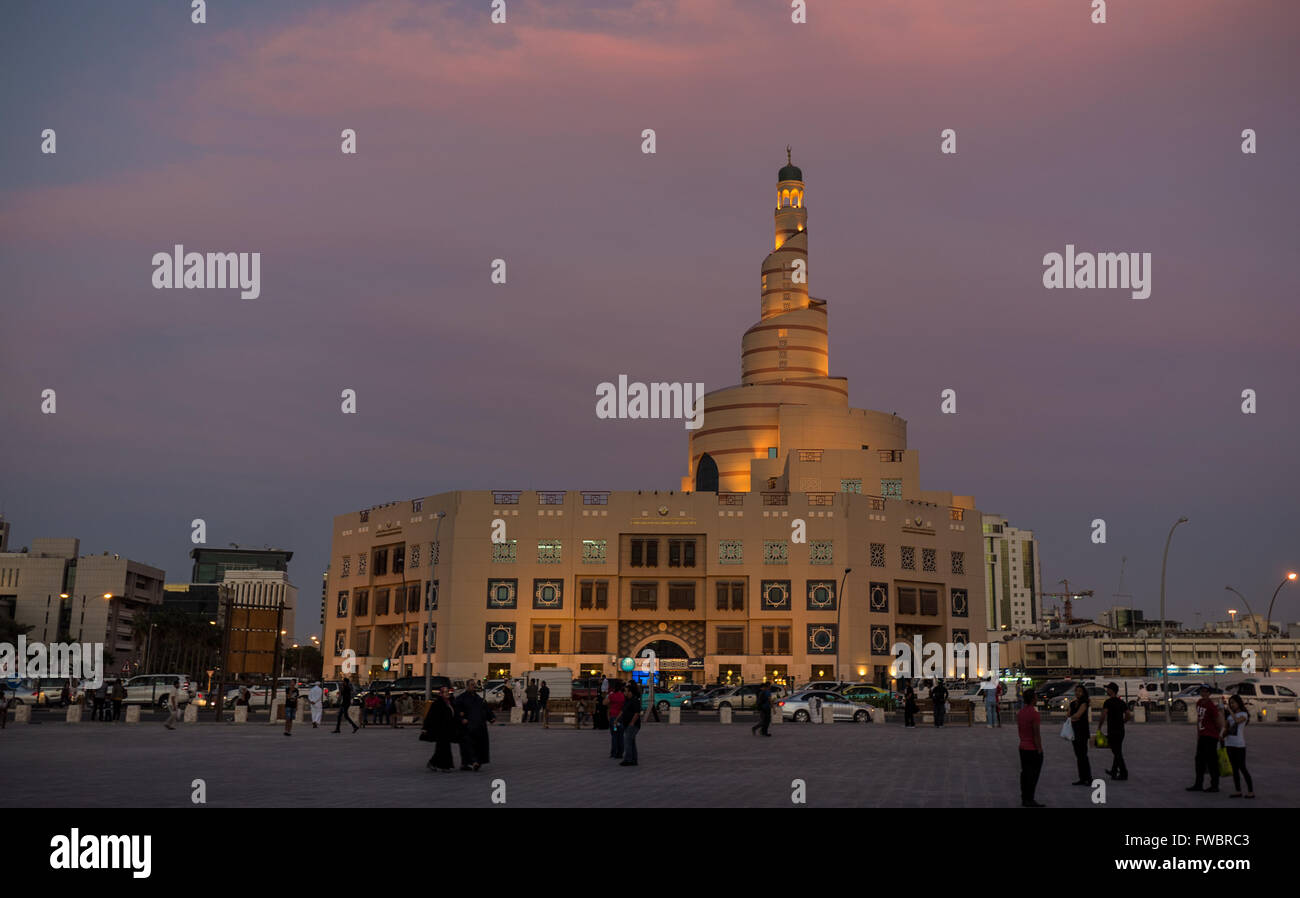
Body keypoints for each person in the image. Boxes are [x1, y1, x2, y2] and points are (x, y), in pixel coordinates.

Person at [1188, 685, 1222, 792]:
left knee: (1212, 761)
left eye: (1206, 691)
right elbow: (1199, 719)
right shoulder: (1199, 703)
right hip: (1202, 736)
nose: (1203, 693)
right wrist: (1198, 734)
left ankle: (1214, 785)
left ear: (1209, 693)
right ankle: (1198, 783)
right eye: (1202, 691)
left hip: (1211, 736)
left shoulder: (1211, 706)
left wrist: (1218, 734)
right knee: (1199, 760)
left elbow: (1217, 721)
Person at [454, 680, 494, 771]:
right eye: (472, 685)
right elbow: (456, 710)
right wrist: (461, 719)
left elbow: (485, 709)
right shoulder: (461, 698)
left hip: (478, 726)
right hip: (467, 727)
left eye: (474, 685)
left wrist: (491, 717)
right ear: (467, 686)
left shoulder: (478, 699)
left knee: (478, 745)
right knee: (467, 745)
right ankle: (471, 762)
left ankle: (471, 763)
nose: (474, 687)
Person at [1221, 694, 1253, 799]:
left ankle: (1250, 791)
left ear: (1239, 703)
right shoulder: (1230, 716)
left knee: (1242, 768)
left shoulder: (1244, 714)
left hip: (1239, 745)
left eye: (1233, 703)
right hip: (1229, 744)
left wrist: (1229, 710)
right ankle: (1238, 790)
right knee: (1234, 769)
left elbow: (1237, 721)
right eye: (1230, 703)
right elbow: (1226, 728)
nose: (1232, 705)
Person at [1017, 688, 1045, 807]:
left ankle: (1024, 797)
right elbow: (1036, 734)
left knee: (1025, 774)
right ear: (1033, 699)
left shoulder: (1020, 713)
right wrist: (1040, 749)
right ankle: (1030, 798)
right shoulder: (1034, 714)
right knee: (1033, 776)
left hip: (1022, 746)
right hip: (1032, 748)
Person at [1099, 682, 1131, 780]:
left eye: (1108, 689)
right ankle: (1113, 771)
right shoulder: (1121, 702)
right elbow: (1128, 714)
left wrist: (1099, 727)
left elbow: (1103, 715)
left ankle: (1123, 773)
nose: (1106, 691)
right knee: (1117, 750)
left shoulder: (1108, 702)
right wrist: (1123, 722)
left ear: (1112, 690)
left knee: (1116, 752)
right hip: (1121, 730)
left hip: (1112, 730)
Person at [422, 686, 457, 772]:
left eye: (447, 692)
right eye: (445, 692)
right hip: (440, 729)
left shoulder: (449, 702)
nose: (447, 693)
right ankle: (444, 766)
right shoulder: (437, 703)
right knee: (443, 748)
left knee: (442, 748)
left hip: (447, 729)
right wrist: (425, 728)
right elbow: (430, 716)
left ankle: (433, 763)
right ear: (441, 694)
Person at [1067, 684, 1092, 785]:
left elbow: (1077, 715)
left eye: (1080, 691)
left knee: (1083, 755)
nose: (1078, 693)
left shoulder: (1084, 702)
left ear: (1083, 692)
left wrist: (1074, 717)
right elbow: (1068, 715)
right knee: (1078, 755)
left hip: (1082, 732)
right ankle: (1082, 778)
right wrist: (1074, 717)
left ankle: (1088, 778)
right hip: (1074, 732)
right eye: (1076, 691)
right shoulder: (1073, 703)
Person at [620, 681, 642, 766]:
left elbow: (637, 713)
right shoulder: (627, 700)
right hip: (627, 724)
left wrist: (632, 723)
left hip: (632, 725)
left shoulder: (634, 700)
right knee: (631, 742)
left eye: (625, 691)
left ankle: (628, 759)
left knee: (627, 742)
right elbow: (623, 711)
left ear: (630, 692)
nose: (624, 692)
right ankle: (633, 759)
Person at [608, 681, 626, 759]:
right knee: (621, 736)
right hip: (621, 718)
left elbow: (604, 703)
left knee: (614, 735)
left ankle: (614, 752)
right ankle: (620, 753)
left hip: (614, 718)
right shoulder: (623, 696)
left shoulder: (612, 695)